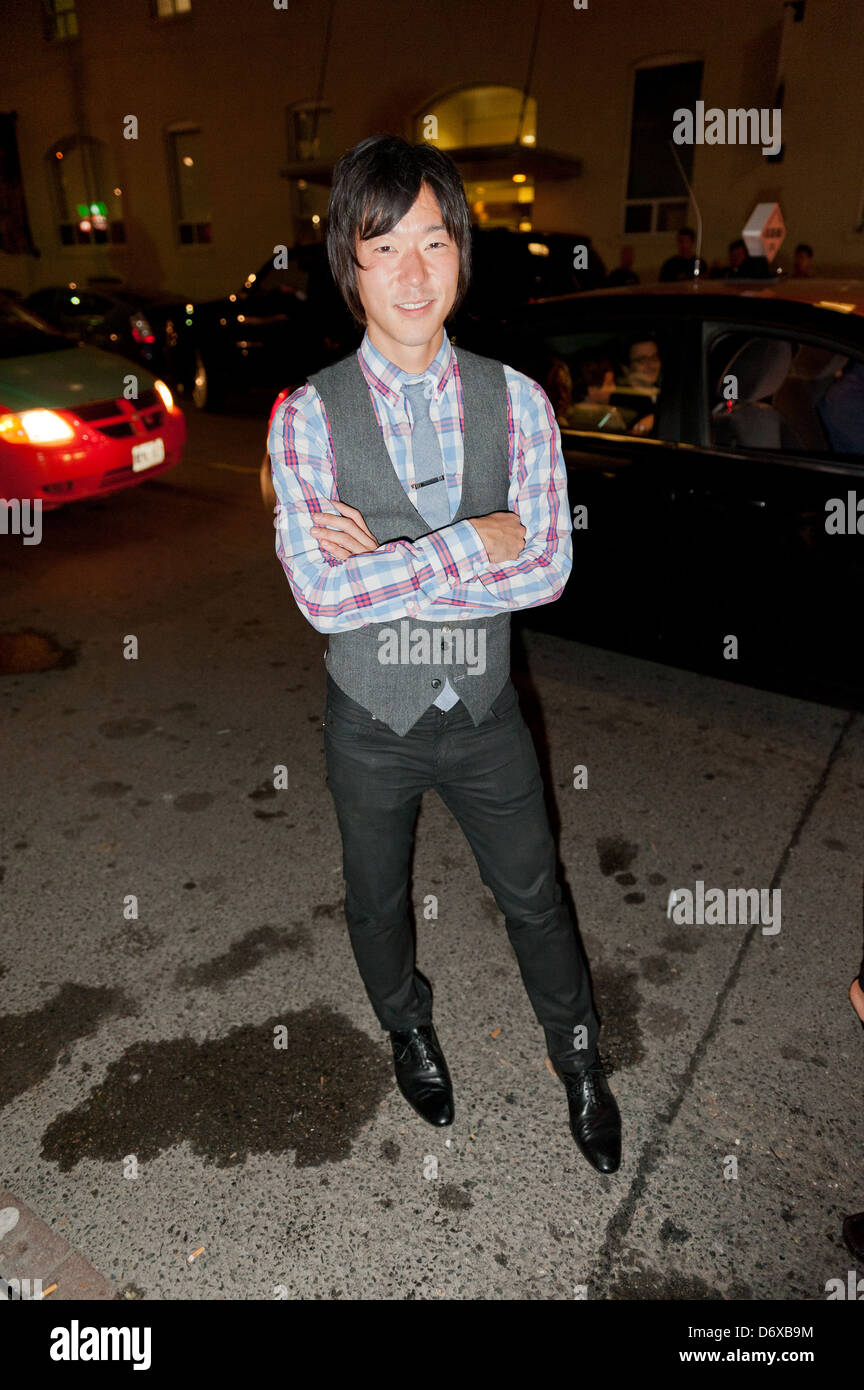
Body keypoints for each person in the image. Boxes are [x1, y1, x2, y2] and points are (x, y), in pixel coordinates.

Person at [268, 135, 621, 1174]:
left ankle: (582, 1058)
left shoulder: (517, 403)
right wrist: (472, 542)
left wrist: (390, 559)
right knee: (375, 896)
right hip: (368, 721)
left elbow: (549, 568)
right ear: (350, 264)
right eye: (386, 247)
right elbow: (324, 598)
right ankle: (405, 1025)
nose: (414, 272)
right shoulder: (305, 418)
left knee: (537, 894)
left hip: (484, 713)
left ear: (462, 253)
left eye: (435, 240)